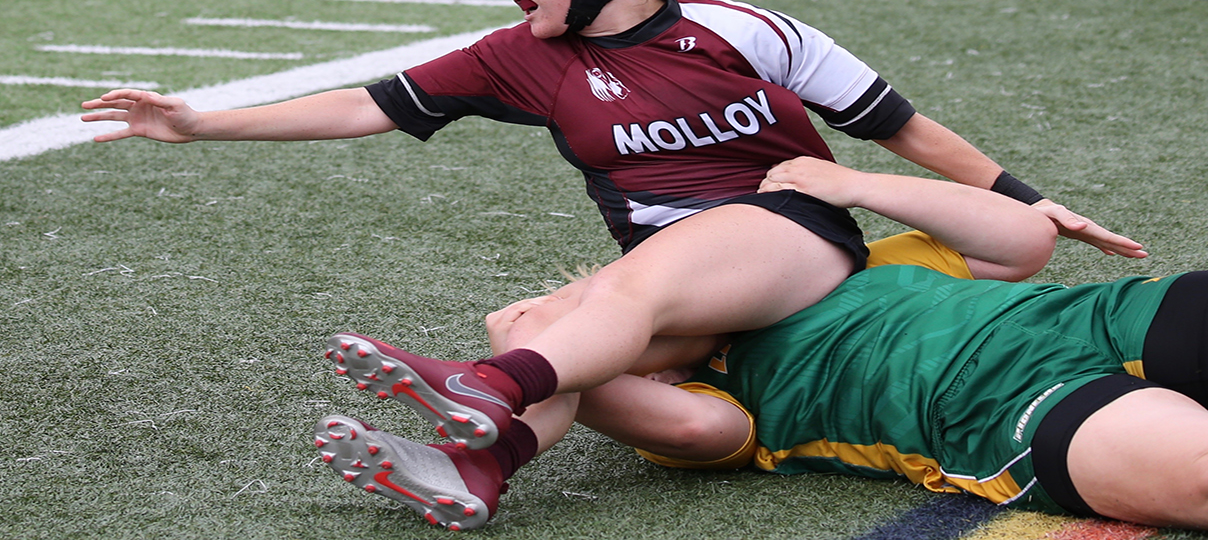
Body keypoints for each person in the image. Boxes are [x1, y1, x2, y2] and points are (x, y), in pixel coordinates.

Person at [85, 0, 1140, 465]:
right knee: (579, 348)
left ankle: (492, 394)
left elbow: (899, 126)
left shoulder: (745, 31)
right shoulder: (517, 57)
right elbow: (369, 106)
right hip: (676, 284)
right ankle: (482, 463)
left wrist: (1025, 200)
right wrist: (202, 124)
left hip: (793, 241)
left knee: (545, 334)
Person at [316, 163, 1208, 532]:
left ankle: (494, 406)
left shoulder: (853, 262)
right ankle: (486, 424)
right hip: (998, 417)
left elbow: (1019, 241)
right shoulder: (722, 407)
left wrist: (847, 182)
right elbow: (639, 402)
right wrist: (533, 341)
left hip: (1092, 320)